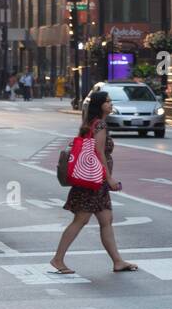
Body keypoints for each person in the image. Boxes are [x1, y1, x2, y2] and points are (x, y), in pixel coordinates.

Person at [50, 90, 138, 276]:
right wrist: (109, 179)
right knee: (80, 220)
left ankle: (117, 261)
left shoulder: (91, 123)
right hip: (93, 181)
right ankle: (58, 259)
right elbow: (98, 153)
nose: (110, 104)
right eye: (107, 102)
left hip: (94, 181)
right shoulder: (100, 125)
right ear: (100, 106)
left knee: (106, 220)